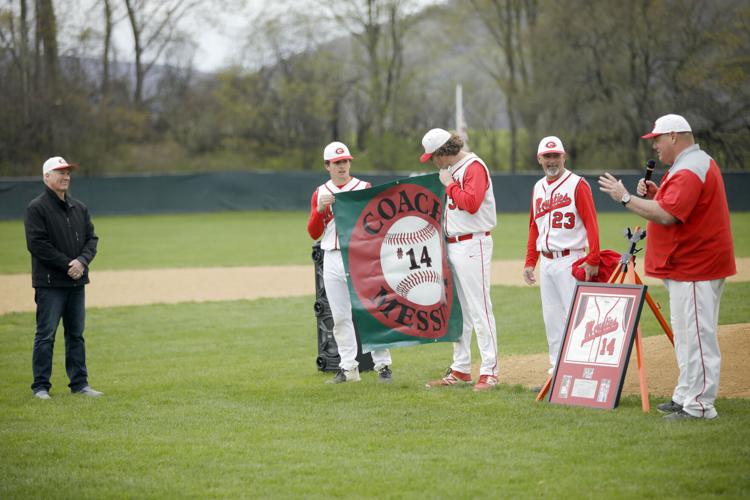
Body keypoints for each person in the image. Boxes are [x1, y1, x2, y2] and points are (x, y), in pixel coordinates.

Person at [598, 114, 735, 420]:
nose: (655, 146)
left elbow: (667, 216)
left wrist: (625, 197)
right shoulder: (689, 165)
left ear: (674, 136)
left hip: (697, 264)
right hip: (688, 265)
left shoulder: (690, 168)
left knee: (698, 336)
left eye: (657, 139)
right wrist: (658, 194)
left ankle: (699, 406)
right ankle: (686, 394)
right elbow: (678, 208)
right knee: (687, 335)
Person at [307, 141, 393, 383]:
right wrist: (319, 210)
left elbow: (375, 224)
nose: (342, 166)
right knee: (340, 316)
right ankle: (348, 368)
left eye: (345, 161)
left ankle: (383, 365)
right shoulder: (320, 192)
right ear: (327, 166)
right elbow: (313, 232)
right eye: (337, 163)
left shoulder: (363, 187)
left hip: (358, 255)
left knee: (371, 311)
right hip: (332, 255)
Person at [420, 128, 499, 391]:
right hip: (454, 243)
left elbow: (472, 203)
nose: (433, 161)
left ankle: (490, 371)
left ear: (444, 152)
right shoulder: (452, 170)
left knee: (480, 309)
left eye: (434, 156)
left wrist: (450, 185)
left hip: (473, 242)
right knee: (459, 311)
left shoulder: (472, 166)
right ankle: (461, 368)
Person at [24, 156, 102, 400]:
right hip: (50, 284)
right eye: (60, 172)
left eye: (68, 172)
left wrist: (81, 262)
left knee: (76, 334)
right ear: (47, 177)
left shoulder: (78, 207)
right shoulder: (37, 208)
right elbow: (37, 244)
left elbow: (92, 240)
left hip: (76, 282)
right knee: (46, 335)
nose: (66, 176)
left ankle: (80, 384)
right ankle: (40, 387)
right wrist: (67, 264)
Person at [523, 136, 601, 374]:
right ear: (539, 159)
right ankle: (557, 369)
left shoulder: (577, 184)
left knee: (577, 317)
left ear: (564, 156)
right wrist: (530, 261)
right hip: (546, 261)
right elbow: (534, 226)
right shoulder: (538, 188)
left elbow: (591, 222)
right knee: (552, 319)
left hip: (571, 259)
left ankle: (584, 367)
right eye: (547, 156)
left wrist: (594, 258)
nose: (552, 160)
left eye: (556, 155)